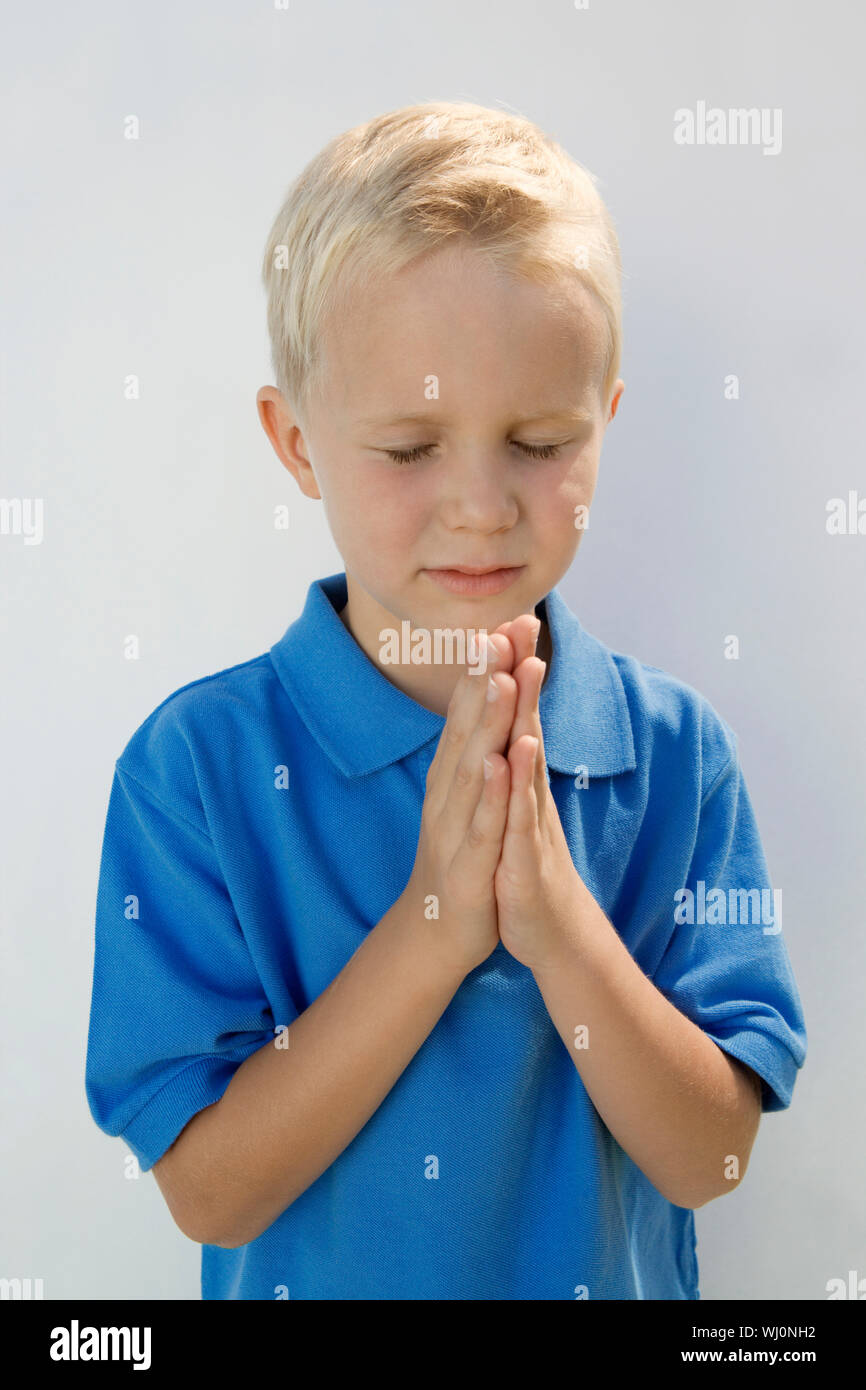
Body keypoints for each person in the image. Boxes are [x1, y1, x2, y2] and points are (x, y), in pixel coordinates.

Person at [85, 100, 807, 1299]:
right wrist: (434, 922)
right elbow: (208, 1191)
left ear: (604, 425)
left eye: (536, 441)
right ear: (298, 442)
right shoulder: (196, 770)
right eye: (411, 448)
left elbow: (711, 1156)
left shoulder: (677, 757)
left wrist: (555, 924)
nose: (479, 503)